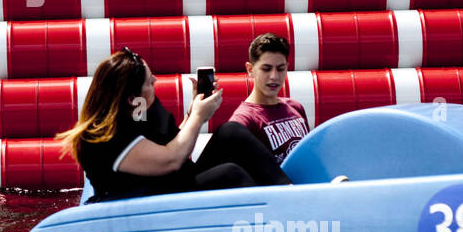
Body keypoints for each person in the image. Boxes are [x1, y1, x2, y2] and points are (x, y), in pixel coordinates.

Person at [56, 48, 292, 203]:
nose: (155, 81)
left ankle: (291, 196)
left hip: (168, 184)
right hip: (148, 204)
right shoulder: (104, 138)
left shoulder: (136, 109)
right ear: (131, 97)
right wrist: (199, 117)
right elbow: (170, 158)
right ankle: (272, 227)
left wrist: (193, 110)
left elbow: (169, 143)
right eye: (150, 81)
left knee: (232, 134)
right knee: (229, 174)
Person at [228, 33, 311, 163]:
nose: (274, 76)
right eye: (266, 69)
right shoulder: (244, 120)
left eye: (280, 69)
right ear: (250, 69)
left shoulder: (296, 107)